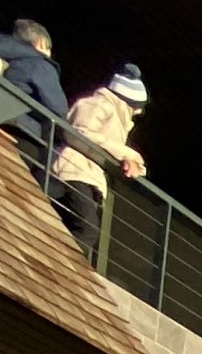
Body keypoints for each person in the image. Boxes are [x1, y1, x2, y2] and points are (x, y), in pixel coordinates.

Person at [48, 64, 148, 257]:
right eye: (138, 108)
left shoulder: (116, 118)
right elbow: (80, 133)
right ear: (130, 102)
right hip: (74, 172)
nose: (138, 113)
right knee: (88, 229)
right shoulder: (99, 104)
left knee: (68, 223)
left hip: (83, 176)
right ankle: (66, 266)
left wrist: (131, 161)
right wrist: (127, 155)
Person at [0, 18, 65, 172]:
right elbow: (59, 109)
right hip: (24, 133)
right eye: (48, 48)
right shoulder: (40, 64)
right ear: (40, 43)